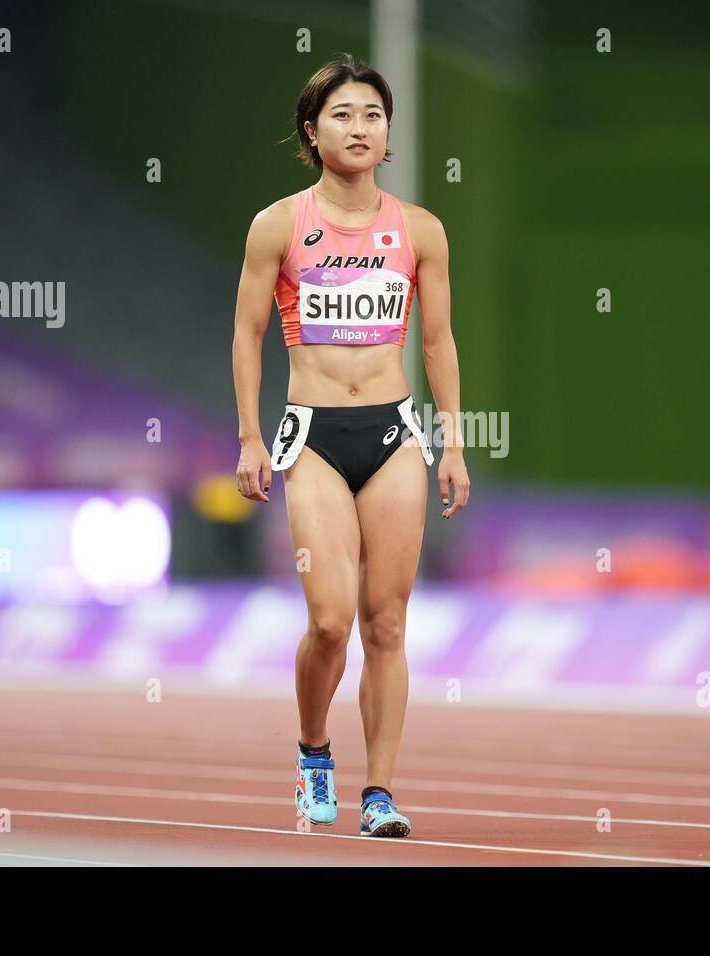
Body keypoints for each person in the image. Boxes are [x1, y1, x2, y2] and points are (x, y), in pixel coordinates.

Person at [231, 55, 470, 838]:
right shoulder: (278, 225)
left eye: (372, 114)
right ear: (312, 129)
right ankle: (312, 753)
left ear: (388, 131)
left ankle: (380, 795)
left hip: (395, 435)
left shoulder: (421, 231)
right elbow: (248, 332)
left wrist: (454, 446)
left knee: (387, 624)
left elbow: (437, 342)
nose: (360, 127)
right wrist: (249, 436)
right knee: (330, 622)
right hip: (314, 440)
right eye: (342, 114)